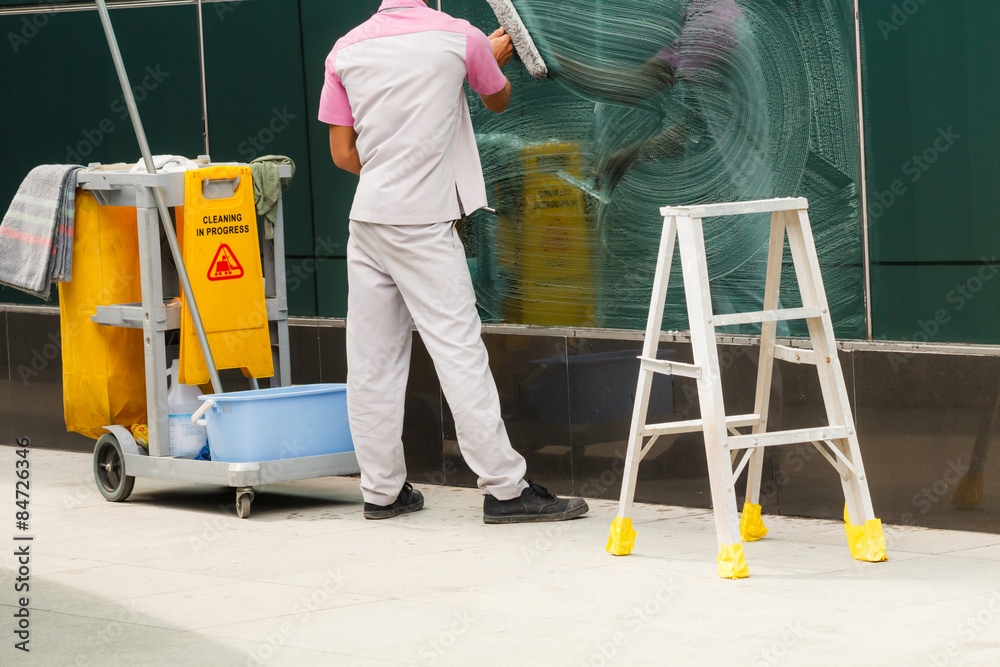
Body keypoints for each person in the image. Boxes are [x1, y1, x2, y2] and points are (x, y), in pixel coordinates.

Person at [319, 0, 589, 524]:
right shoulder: (458, 38)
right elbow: (498, 100)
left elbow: (342, 154)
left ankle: (381, 492)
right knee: (459, 351)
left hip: (369, 220)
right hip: (422, 223)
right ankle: (507, 491)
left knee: (371, 362)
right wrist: (488, 60)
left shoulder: (344, 50)